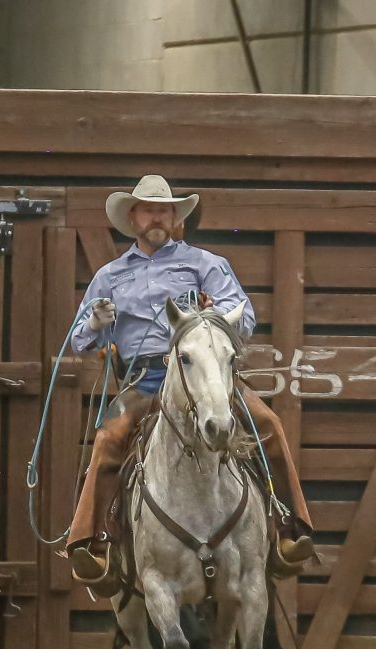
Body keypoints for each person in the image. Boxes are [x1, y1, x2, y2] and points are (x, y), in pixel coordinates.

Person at [63, 175, 316, 595]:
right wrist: (95, 321)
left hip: (205, 375)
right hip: (145, 379)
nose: (157, 217)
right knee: (108, 439)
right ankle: (95, 545)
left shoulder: (205, 264)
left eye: (165, 210)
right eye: (149, 210)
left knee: (267, 423)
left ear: (175, 217)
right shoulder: (109, 276)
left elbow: (244, 317)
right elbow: (79, 339)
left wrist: (216, 316)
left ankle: (289, 530)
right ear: (133, 217)